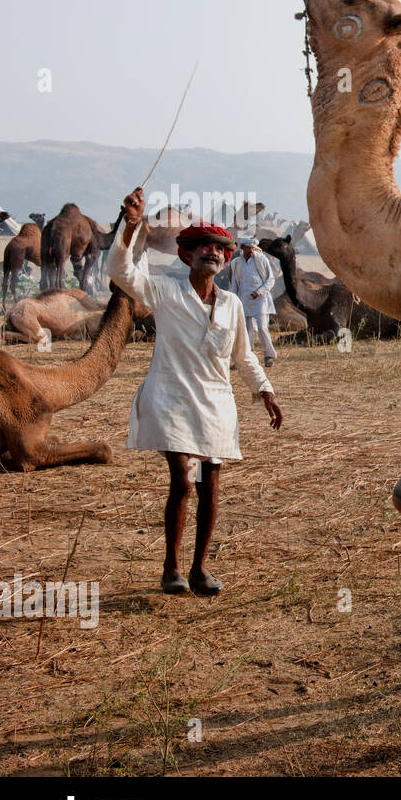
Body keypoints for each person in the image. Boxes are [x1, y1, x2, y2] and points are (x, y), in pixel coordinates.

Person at [107, 187, 284, 596]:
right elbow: (120, 271)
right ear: (186, 256)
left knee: (210, 486)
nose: (212, 252)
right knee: (184, 480)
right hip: (171, 399)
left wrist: (265, 392)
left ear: (226, 258)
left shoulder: (233, 306)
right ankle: (171, 567)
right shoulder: (165, 292)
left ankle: (199, 568)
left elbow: (244, 356)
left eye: (219, 248)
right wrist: (131, 227)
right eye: (202, 247)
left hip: (215, 404)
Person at [229, 235, 279, 368]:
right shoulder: (236, 263)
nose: (251, 250)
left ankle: (269, 355)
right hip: (244, 300)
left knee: (262, 328)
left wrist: (260, 291)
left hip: (260, 300)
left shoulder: (262, 260)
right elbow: (234, 284)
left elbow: (271, 280)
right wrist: (233, 301)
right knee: (246, 331)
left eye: (252, 247)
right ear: (242, 248)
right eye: (248, 247)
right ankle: (245, 358)